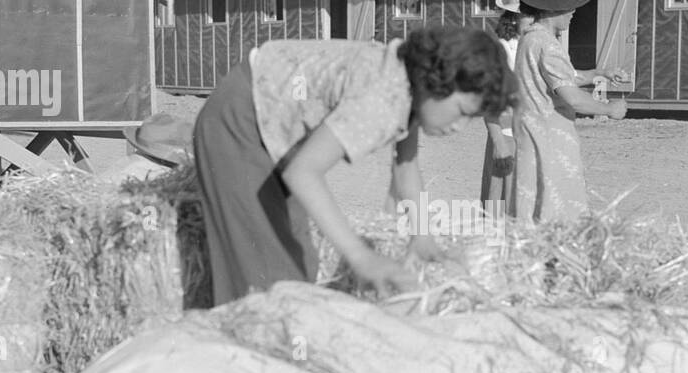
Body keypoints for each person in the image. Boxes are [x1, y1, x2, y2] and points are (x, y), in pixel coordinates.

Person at [193, 27, 516, 306]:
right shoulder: (384, 99)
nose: (459, 127)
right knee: (269, 276)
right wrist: (361, 257)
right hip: (240, 121)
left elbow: (405, 166)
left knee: (300, 262)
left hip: (269, 121)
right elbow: (302, 172)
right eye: (461, 111)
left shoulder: (407, 83)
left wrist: (422, 235)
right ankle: (246, 358)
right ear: (437, 81)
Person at [510, 0, 627, 222]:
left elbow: (564, 76)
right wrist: (609, 109)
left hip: (531, 130)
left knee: (533, 199)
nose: (573, 13)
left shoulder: (531, 39)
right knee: (558, 204)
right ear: (552, 9)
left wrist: (600, 72)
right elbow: (571, 96)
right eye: (568, 6)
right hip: (550, 136)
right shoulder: (548, 45)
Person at [479, 0, 530, 213]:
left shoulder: (531, 45)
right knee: (502, 193)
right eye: (529, 16)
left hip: (527, 128)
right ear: (514, 19)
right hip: (506, 129)